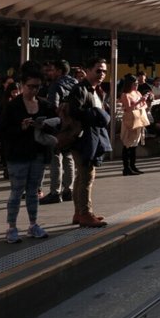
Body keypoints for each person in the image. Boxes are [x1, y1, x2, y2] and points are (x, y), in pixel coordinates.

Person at [0, 66, 52, 244]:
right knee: (16, 191)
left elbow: (54, 125)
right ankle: (11, 227)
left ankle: (33, 224)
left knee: (34, 191)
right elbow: (3, 130)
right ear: (22, 85)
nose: (34, 90)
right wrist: (20, 128)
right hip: (17, 154)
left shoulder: (45, 104)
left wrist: (43, 126)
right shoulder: (13, 106)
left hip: (37, 153)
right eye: (30, 86)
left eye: (37, 87)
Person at [63, 59, 113, 228]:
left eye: (104, 71)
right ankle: (85, 213)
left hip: (91, 137)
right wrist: (97, 114)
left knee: (82, 175)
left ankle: (79, 212)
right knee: (86, 175)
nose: (102, 74)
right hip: (82, 139)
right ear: (88, 70)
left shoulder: (96, 90)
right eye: (98, 70)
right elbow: (76, 112)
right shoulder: (80, 89)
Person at [41, 60, 77, 205]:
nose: (50, 72)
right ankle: (69, 190)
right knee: (69, 157)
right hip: (72, 125)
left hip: (58, 125)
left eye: (53, 69)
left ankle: (55, 192)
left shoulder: (56, 85)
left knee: (56, 158)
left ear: (60, 71)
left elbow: (53, 106)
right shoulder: (74, 82)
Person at [118, 74, 148, 175]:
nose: (136, 86)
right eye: (134, 84)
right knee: (128, 144)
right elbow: (128, 109)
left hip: (138, 119)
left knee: (134, 144)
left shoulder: (138, 92)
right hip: (129, 120)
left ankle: (133, 165)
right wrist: (138, 101)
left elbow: (144, 106)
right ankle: (126, 167)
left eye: (137, 84)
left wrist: (143, 100)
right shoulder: (125, 95)